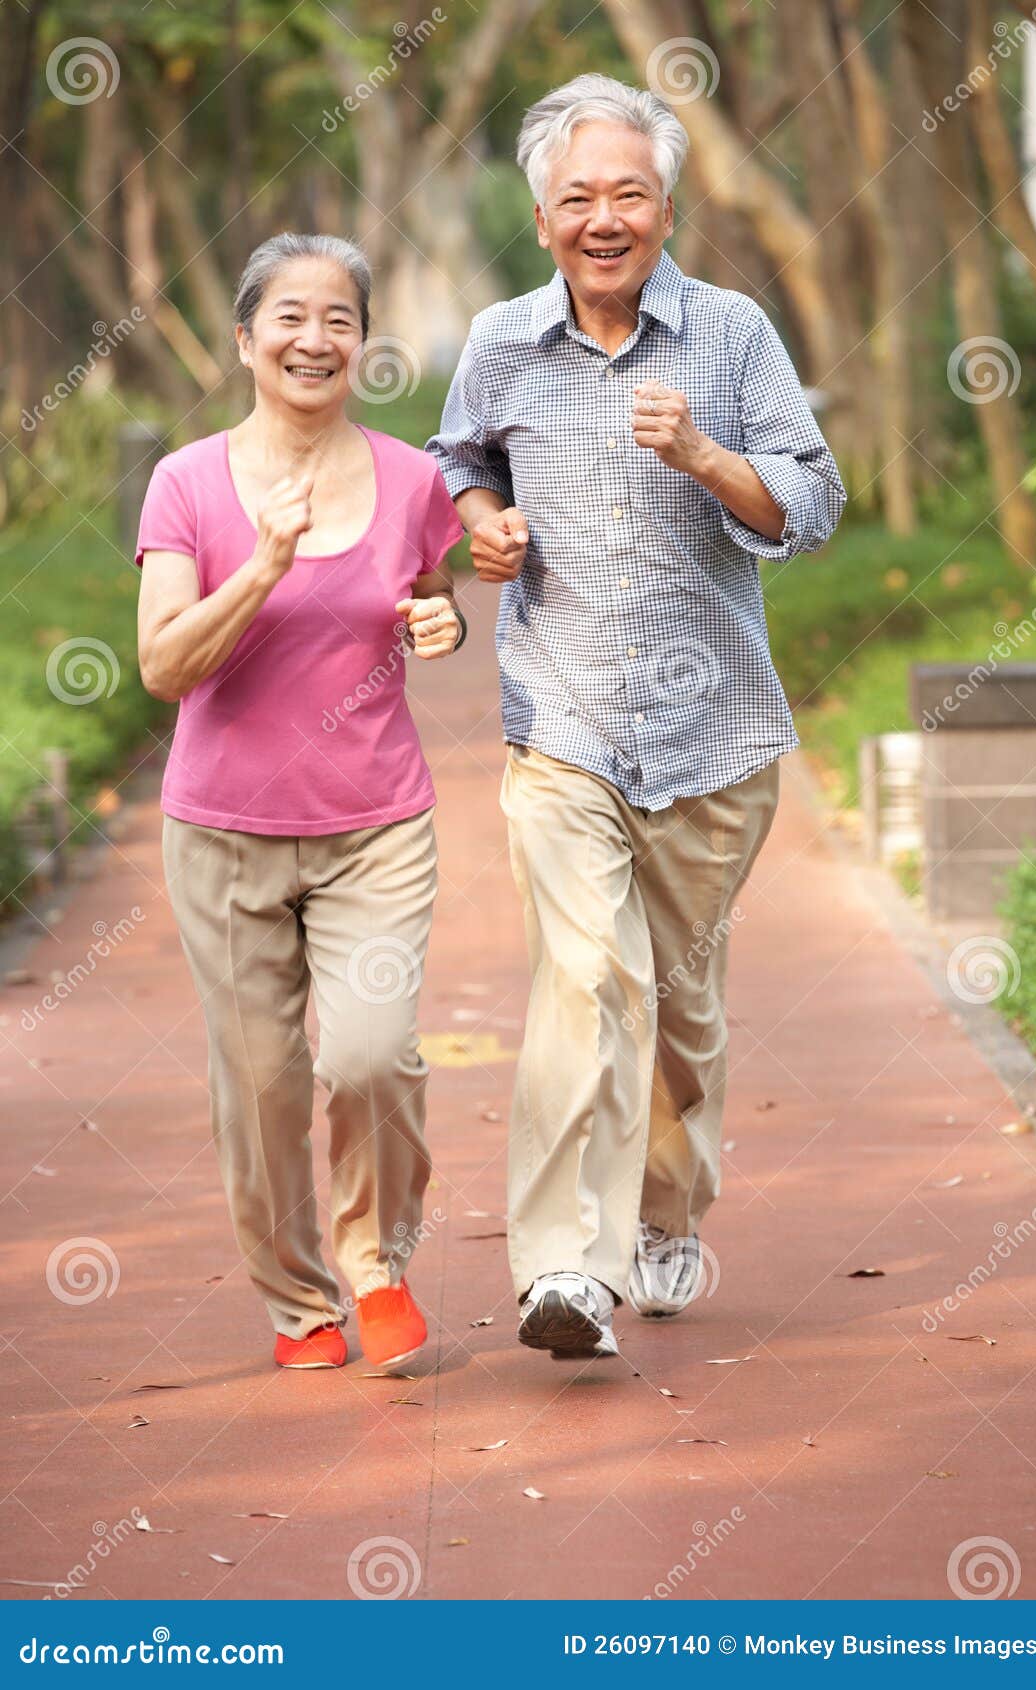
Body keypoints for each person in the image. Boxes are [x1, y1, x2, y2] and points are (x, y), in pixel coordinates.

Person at [426, 75, 846, 1361]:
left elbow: (812, 503)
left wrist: (708, 457)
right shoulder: (500, 340)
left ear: (665, 208)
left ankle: (665, 1210)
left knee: (679, 1006)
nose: (601, 216)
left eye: (628, 194)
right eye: (575, 197)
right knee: (585, 981)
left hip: (713, 733)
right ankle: (565, 1269)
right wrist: (476, 524)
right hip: (559, 718)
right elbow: (457, 457)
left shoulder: (729, 336)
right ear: (540, 215)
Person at [136, 233, 466, 1373]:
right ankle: (297, 1303)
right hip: (222, 831)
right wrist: (265, 563)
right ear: (244, 339)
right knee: (265, 1082)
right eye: (288, 316)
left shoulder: (413, 479)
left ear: (361, 345)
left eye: (337, 318)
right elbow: (165, 666)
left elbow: (430, 604)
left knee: (370, 1053)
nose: (313, 338)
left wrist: (444, 622)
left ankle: (374, 1264)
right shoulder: (185, 482)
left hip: (374, 820)